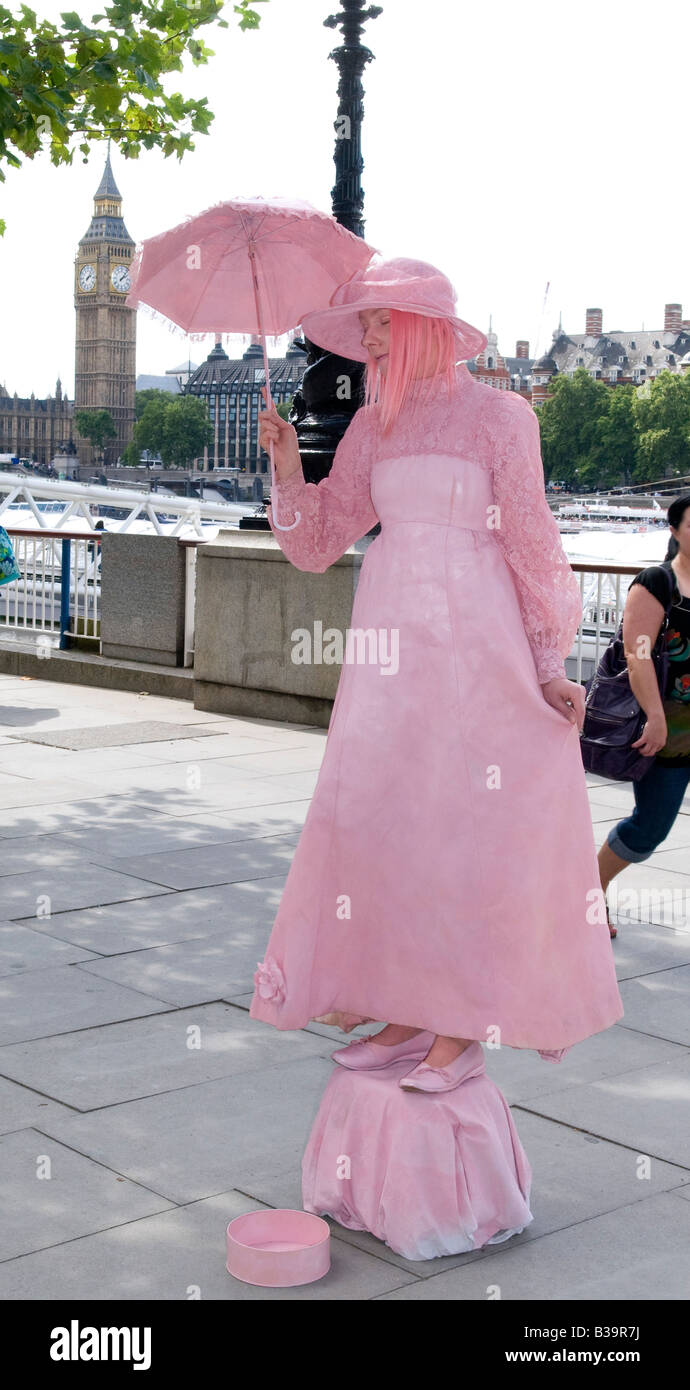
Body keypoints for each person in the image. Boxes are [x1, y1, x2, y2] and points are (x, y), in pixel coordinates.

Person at [249, 257, 622, 1090]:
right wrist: (284, 465)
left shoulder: (500, 416)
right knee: (394, 826)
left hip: (477, 650)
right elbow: (315, 546)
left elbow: (531, 543)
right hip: (391, 658)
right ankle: (413, 1009)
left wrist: (548, 664)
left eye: (382, 322)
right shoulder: (373, 428)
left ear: (425, 327)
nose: (369, 339)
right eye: (366, 325)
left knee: (466, 833)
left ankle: (462, 1024)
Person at [597, 495, 690, 938]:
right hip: (669, 733)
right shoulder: (656, 583)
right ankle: (588, 892)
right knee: (649, 828)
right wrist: (655, 717)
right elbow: (638, 656)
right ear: (674, 531)